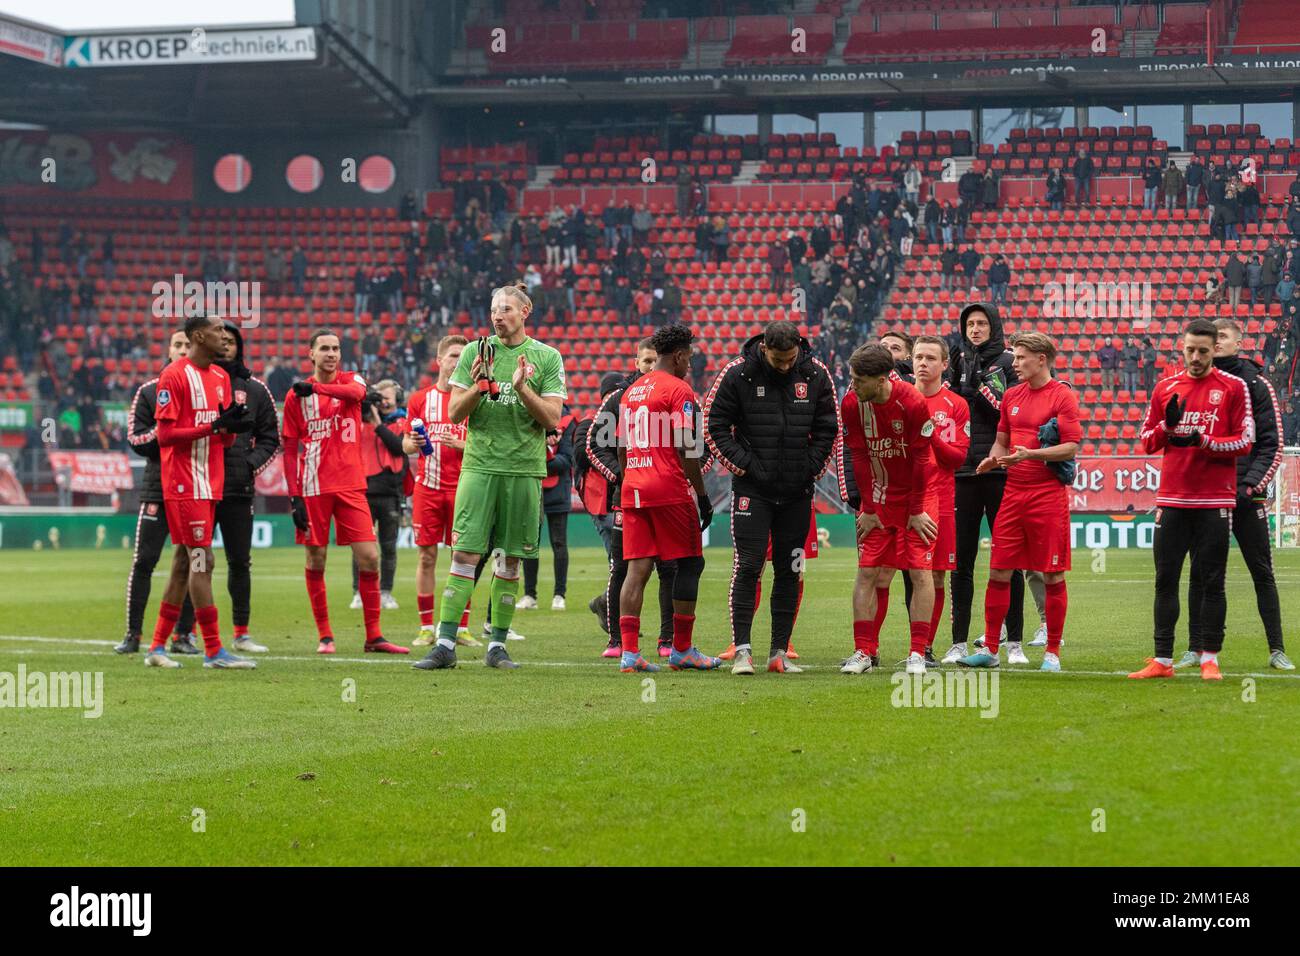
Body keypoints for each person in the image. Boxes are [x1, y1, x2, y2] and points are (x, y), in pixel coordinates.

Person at [413, 282, 566, 671]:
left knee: (509, 560)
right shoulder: (473, 352)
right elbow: (454, 414)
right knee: (464, 554)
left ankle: (497, 646)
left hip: (524, 469)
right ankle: (445, 643)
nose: (498, 316)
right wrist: (482, 386)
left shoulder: (546, 358)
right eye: (494, 310)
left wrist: (521, 389)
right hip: (480, 465)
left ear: (525, 311)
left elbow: (551, 418)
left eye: (507, 309)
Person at [703, 320, 838, 675]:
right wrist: (745, 465)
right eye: (778, 360)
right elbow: (713, 425)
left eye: (790, 359)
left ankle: (778, 652)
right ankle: (743, 651)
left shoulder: (814, 373)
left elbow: (828, 427)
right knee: (748, 566)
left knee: (790, 569)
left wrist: (809, 466)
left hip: (797, 491)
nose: (785, 366)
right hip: (752, 491)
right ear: (764, 348)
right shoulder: (738, 373)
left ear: (798, 349)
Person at [1130, 319, 1253, 681]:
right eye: (1190, 350)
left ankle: (1209, 658)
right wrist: (1168, 428)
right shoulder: (1166, 388)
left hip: (1215, 500)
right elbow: (1146, 441)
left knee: (1213, 581)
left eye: (1203, 350)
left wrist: (1203, 440)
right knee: (1165, 580)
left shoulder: (1233, 387)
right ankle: (1162, 660)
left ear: (1215, 349)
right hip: (1172, 499)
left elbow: (1244, 441)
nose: (1196, 357)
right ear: (1181, 348)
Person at [958, 331, 1080, 673]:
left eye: (1022, 357)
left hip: (1047, 495)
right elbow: (1002, 442)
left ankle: (1052, 652)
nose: (1016, 362)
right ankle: (991, 649)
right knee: (998, 570)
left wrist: (1031, 454)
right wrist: (992, 459)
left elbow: (1070, 447)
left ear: (1041, 359)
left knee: (1052, 574)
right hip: (1013, 494)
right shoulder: (1011, 395)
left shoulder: (1062, 395)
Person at [282, 329, 408, 657]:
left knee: (369, 557)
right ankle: (325, 636)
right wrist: (294, 495)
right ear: (311, 354)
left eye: (335, 348)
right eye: (324, 348)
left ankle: (374, 636)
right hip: (313, 487)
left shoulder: (354, 380)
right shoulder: (296, 397)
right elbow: (290, 447)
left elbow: (354, 395)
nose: (331, 354)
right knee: (316, 557)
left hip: (352, 486)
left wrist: (316, 387)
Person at [142, 315, 256, 670]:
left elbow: (221, 436)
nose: (224, 336)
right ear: (197, 336)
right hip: (184, 482)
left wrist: (230, 429)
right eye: (217, 330)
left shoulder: (222, 377)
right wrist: (212, 426)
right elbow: (164, 435)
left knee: (182, 562)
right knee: (202, 560)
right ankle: (213, 650)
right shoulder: (174, 375)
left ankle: (157, 648)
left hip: (211, 480)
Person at [1181, 320, 1291, 670]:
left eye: (1223, 337)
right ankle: (1196, 648)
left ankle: (1277, 649)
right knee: (1202, 572)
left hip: (1245, 496)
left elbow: (1273, 442)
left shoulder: (1256, 383)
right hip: (1208, 496)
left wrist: (1251, 486)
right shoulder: (1193, 382)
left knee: (1262, 572)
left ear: (1237, 343)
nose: (1216, 343)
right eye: (1214, 338)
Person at [613, 324, 721, 674]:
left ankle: (629, 654)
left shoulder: (631, 392)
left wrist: (631, 478)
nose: (690, 362)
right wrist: (701, 495)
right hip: (668, 488)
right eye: (688, 356)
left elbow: (622, 447)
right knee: (690, 562)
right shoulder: (680, 390)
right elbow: (686, 444)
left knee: (637, 568)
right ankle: (682, 649)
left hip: (635, 486)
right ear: (678, 355)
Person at [171, 320, 281, 655]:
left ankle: (241, 632)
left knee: (239, 561)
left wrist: (249, 466)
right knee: (193, 560)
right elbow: (173, 431)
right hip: (197, 484)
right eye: (222, 337)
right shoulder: (191, 379)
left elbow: (271, 440)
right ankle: (183, 635)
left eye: (232, 340)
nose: (226, 344)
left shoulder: (257, 390)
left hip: (236, 488)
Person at [868, 335, 971, 666]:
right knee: (881, 573)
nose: (923, 363)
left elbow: (956, 458)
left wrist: (930, 434)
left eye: (930, 358)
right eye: (919, 358)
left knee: (935, 575)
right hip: (898, 499)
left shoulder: (956, 405)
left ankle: (923, 649)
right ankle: (869, 648)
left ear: (944, 364)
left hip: (939, 498)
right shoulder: (896, 399)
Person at [837, 343, 939, 675]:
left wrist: (916, 509)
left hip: (918, 499)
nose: (853, 385)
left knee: (920, 572)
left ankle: (916, 654)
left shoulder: (912, 402)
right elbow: (859, 456)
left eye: (858, 380)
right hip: (877, 501)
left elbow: (923, 460)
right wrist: (867, 508)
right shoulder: (852, 403)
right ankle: (863, 651)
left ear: (881, 379)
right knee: (867, 571)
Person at [943, 303, 1026, 663]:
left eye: (981, 323)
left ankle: (1015, 643)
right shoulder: (956, 361)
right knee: (961, 561)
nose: (975, 329)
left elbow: (1006, 411)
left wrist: (976, 382)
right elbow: (946, 406)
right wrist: (962, 376)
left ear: (994, 326)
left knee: (1008, 559)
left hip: (1000, 471)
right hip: (962, 471)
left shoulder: (1009, 363)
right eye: (970, 324)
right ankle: (958, 642)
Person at [587, 341, 680, 658]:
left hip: (668, 498)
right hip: (626, 499)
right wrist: (621, 476)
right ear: (636, 362)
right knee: (622, 569)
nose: (650, 367)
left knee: (670, 569)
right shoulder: (618, 400)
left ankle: (667, 641)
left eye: (655, 361)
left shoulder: (675, 393)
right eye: (646, 361)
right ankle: (616, 641)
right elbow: (595, 446)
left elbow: (700, 448)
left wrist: (679, 479)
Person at [117, 329, 197, 655]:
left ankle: (183, 636)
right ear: (169, 349)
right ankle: (133, 635)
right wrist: (167, 432)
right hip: (159, 489)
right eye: (177, 344)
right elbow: (136, 440)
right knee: (145, 561)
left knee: (195, 561)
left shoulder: (207, 390)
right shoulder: (150, 392)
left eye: (187, 345)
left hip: (194, 487)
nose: (182, 350)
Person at [405, 335, 480, 649]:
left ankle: (460, 627)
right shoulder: (420, 399)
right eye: (452, 355)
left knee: (462, 559)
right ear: (439, 360)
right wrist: (415, 444)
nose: (456, 361)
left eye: (462, 356)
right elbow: (406, 443)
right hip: (428, 489)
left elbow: (484, 444)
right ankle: (426, 627)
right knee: (426, 557)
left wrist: (461, 444)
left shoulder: (473, 400)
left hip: (464, 489)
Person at [348, 379, 409, 612]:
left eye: (388, 398)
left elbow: (396, 447)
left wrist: (376, 420)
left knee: (388, 547)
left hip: (391, 493)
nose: (383, 402)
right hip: (363, 491)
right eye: (379, 398)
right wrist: (366, 406)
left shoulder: (402, 422)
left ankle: (385, 592)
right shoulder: (360, 420)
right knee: (361, 548)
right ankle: (358, 592)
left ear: (398, 400)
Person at [516, 403, 576, 611]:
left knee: (559, 543)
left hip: (558, 490)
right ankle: (529, 595)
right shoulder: (531, 414)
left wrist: (540, 457)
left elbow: (567, 461)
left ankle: (559, 595)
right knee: (530, 544)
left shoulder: (568, 422)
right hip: (533, 488)